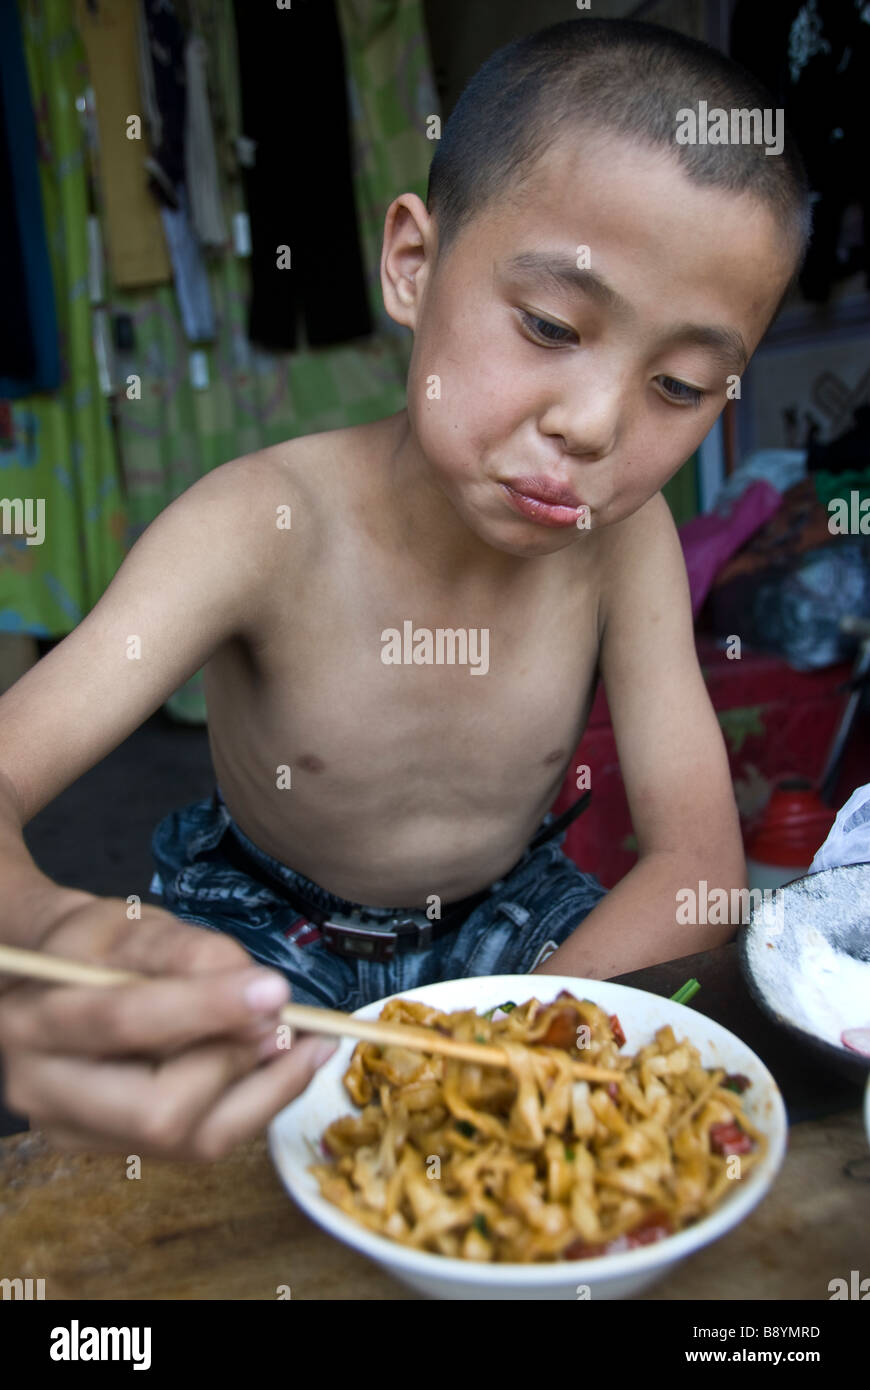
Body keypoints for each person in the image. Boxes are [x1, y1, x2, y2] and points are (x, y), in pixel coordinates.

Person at [0, 19, 810, 1159]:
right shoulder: (257, 524)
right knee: (109, 1124)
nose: (594, 427)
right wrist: (50, 931)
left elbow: (694, 861)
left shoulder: (624, 545)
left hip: (518, 929)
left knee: (678, 1088)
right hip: (262, 931)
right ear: (413, 266)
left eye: (680, 385)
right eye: (548, 326)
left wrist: (520, 1048)